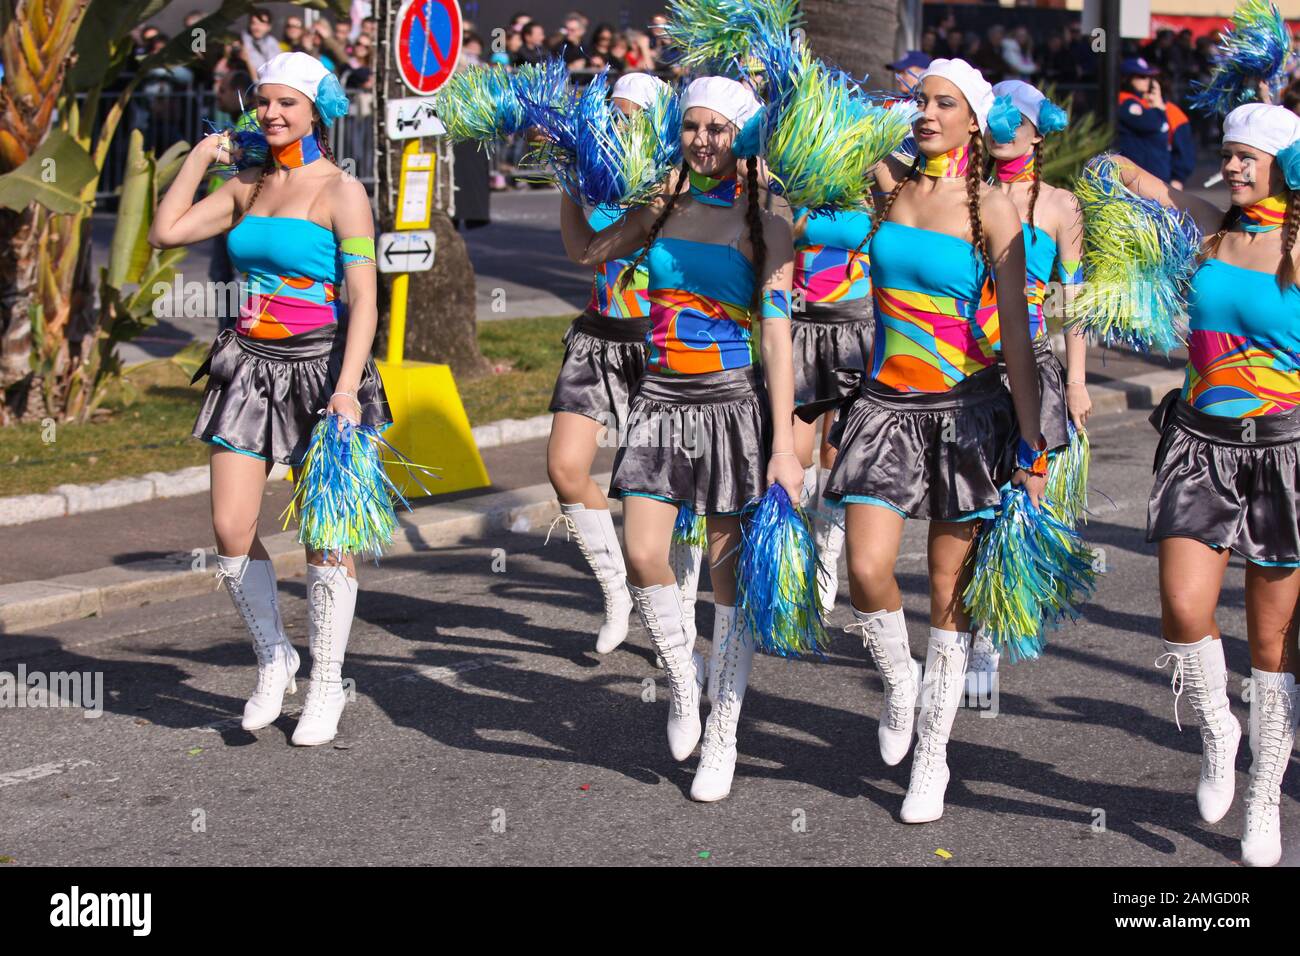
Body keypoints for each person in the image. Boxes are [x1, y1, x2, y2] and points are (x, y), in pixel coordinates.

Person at [810, 58, 1046, 823]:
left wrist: (1034, 438)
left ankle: (933, 756)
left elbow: (1015, 333)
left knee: (950, 592)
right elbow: (817, 132)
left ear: (976, 120)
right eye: (921, 100)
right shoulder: (888, 187)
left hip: (966, 413)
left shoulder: (995, 211)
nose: (926, 112)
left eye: (944, 103)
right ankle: (900, 682)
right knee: (867, 565)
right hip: (883, 407)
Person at [560, 76, 801, 803]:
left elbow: (781, 335)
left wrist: (785, 442)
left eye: (717, 129)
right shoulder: (664, 203)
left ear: (743, 135)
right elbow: (587, 252)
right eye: (691, 126)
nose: (702, 139)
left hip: (731, 401)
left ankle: (724, 730)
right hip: (660, 395)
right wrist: (571, 177)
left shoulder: (771, 215)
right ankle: (680, 678)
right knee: (642, 553)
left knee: (726, 583)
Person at [148, 52, 389, 747]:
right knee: (230, 526)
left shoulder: (341, 191)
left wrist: (347, 389)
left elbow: (364, 302)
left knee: (327, 535)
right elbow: (169, 231)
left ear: (318, 111)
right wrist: (202, 156)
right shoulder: (248, 183)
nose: (273, 113)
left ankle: (326, 682)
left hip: (322, 374)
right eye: (264, 102)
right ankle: (273, 656)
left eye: (288, 102)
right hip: (250, 368)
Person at [1115, 103, 1300, 867]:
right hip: (1199, 444)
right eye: (1227, 153)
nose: (1232, 166)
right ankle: (1219, 730)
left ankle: (1263, 794)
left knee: (1271, 643)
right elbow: (1126, 178)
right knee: (1183, 608)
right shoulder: (1206, 230)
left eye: (1250, 156)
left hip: (1285, 455)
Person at [547, 73, 669, 656]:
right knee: (565, 466)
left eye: (631, 116)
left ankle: (676, 608)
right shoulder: (596, 178)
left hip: (664, 344)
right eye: (612, 115)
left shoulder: (672, 184)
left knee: (670, 490)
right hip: (599, 335)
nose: (618, 126)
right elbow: (578, 253)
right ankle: (615, 589)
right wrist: (571, 180)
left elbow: (608, 246)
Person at [975, 79, 1092, 681]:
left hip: (1037, 366)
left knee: (1024, 493)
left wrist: (1076, 380)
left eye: (1013, 120)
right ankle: (968, 620)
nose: (1002, 129)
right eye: (994, 117)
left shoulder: (1060, 206)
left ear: (1037, 131)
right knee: (972, 499)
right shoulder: (966, 193)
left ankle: (995, 628)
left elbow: (1073, 302)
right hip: (969, 365)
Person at [1116, 57, 1174, 183]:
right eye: (1141, 77)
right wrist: (1158, 107)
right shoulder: (1127, 103)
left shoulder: (1141, 102)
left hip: (1152, 174)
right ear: (1127, 79)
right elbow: (1152, 123)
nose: (1147, 80)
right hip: (1140, 176)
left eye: (1148, 76)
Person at [240, 8, 283, 75]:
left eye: (262, 24)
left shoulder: (272, 43)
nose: (257, 28)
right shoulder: (241, 41)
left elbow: (277, 68)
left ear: (269, 27)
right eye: (254, 23)